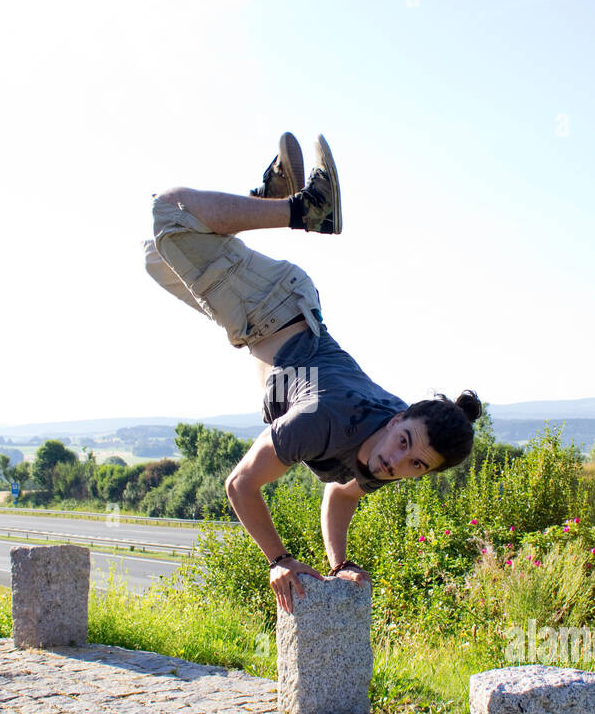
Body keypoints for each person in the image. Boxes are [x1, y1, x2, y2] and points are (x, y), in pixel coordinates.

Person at [143, 134, 482, 616]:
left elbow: (341, 495)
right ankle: (307, 208)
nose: (396, 461)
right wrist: (279, 560)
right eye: (404, 443)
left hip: (260, 323)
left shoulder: (387, 461)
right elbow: (240, 483)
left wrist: (339, 562)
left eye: (416, 465)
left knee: (157, 258)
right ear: (397, 418)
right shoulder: (322, 419)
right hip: (273, 307)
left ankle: (267, 198)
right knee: (170, 213)